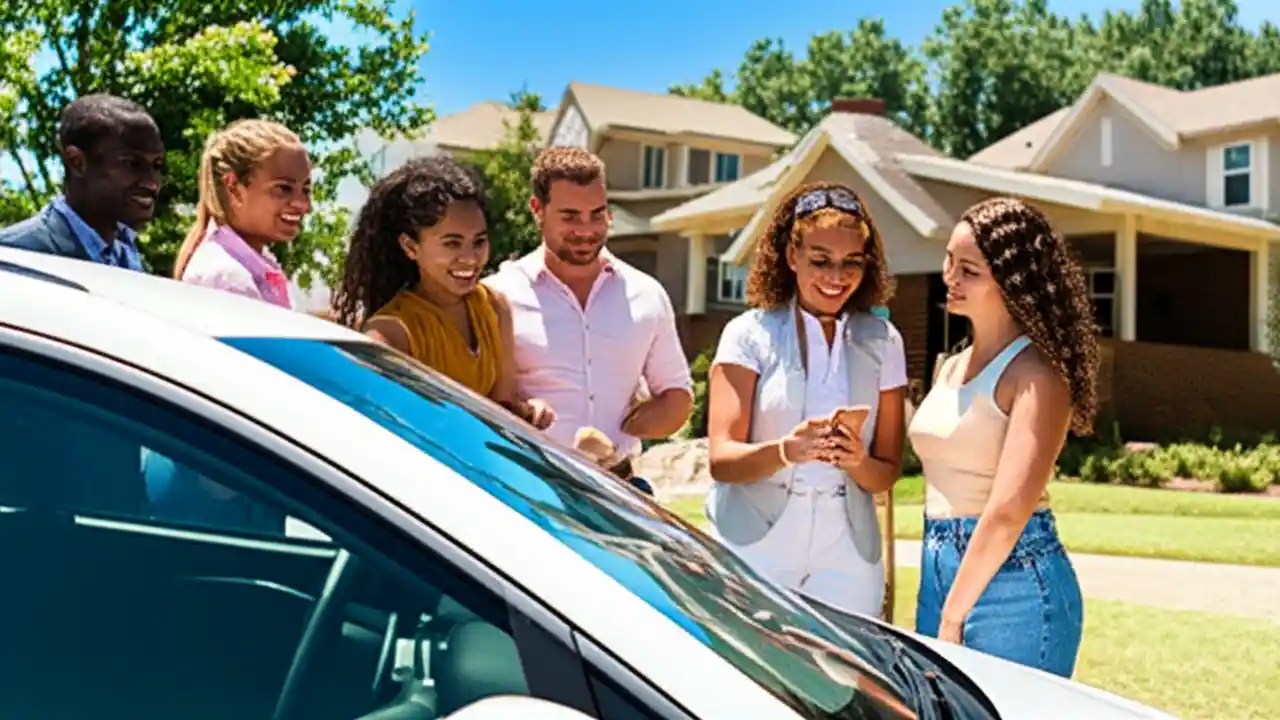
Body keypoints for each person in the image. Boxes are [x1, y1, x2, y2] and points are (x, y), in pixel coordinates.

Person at [908, 196, 1098, 678]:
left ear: (1012, 284)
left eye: (969, 269)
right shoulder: (950, 366)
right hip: (939, 569)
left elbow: (1010, 509)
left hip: (1016, 585)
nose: (950, 276)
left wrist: (954, 614)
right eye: (949, 260)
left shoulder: (1038, 375)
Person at [703, 181, 908, 618]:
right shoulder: (748, 334)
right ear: (791, 256)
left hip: (847, 547)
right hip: (757, 539)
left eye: (852, 262)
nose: (837, 277)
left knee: (846, 678)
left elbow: (886, 474)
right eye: (821, 261)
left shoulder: (884, 340)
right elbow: (721, 459)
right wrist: (786, 451)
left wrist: (856, 461)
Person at [482, 147, 693, 486]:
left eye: (597, 215)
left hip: (619, 486)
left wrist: (625, 427)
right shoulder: (497, 295)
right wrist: (523, 410)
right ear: (538, 210)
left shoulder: (646, 293)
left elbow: (677, 396)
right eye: (570, 217)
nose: (587, 230)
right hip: (529, 483)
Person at [332, 155, 552, 429]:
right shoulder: (391, 334)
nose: (470, 258)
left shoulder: (495, 307)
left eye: (479, 241)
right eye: (452, 243)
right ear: (410, 247)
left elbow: (502, 411)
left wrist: (528, 412)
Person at [0, 94, 164, 270]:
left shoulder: (126, 258)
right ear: (76, 162)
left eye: (156, 166)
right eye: (131, 163)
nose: (152, 183)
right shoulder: (16, 256)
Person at [172, 119, 312, 306]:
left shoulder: (250, 268)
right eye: (283, 188)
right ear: (234, 188)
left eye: (306, 189)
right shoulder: (227, 280)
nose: (302, 204)